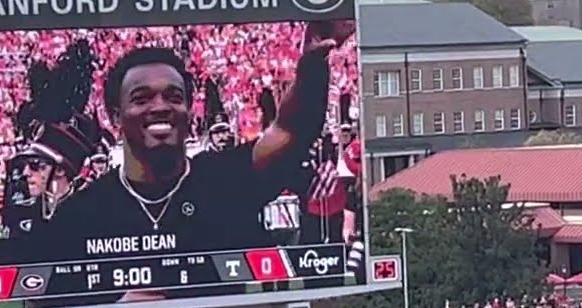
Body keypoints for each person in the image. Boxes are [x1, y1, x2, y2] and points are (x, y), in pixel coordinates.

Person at [23, 19, 356, 266]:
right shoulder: (83, 213)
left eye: (173, 96)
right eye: (141, 98)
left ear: (189, 109)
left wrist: (313, 65)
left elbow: (293, 132)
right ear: (115, 116)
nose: (160, 106)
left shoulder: (225, 178)